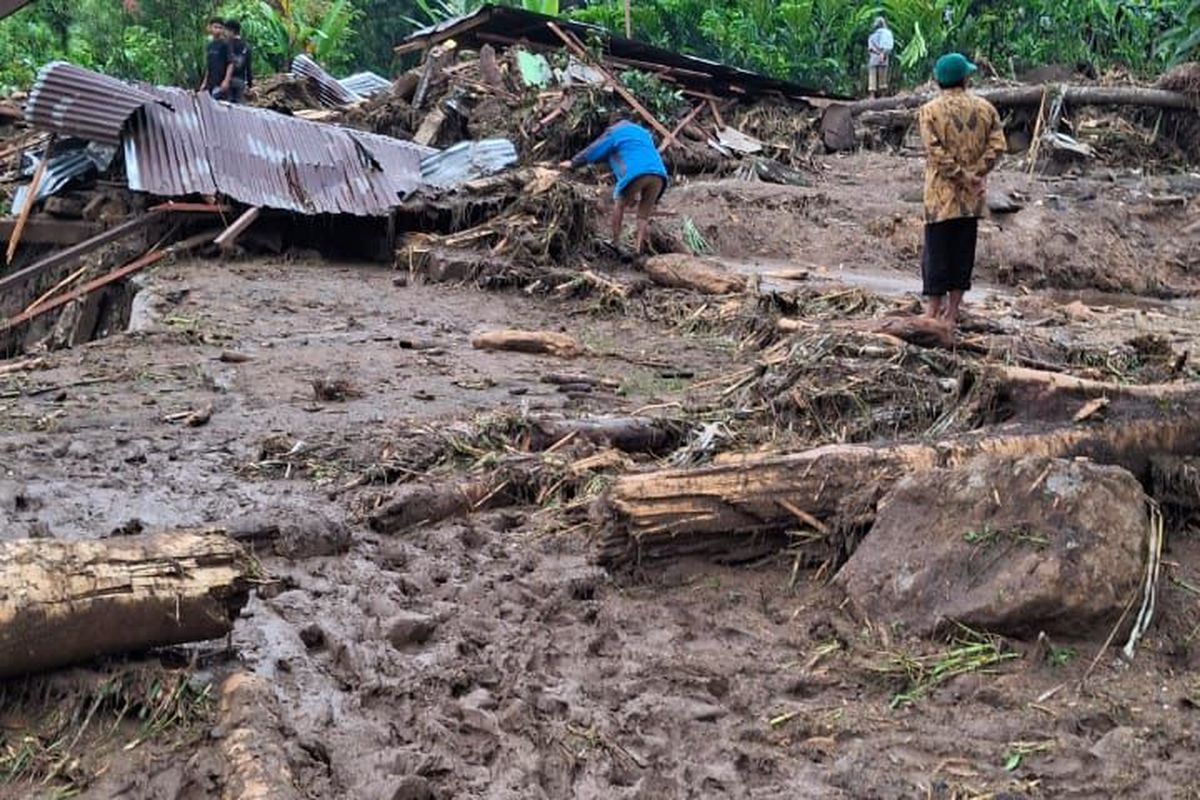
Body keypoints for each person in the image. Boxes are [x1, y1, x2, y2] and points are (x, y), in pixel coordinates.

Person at [917, 53, 1007, 327]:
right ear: (965, 78)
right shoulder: (985, 108)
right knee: (962, 253)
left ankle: (932, 312)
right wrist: (977, 174)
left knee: (936, 253)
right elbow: (998, 145)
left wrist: (960, 176)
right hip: (970, 199)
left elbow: (935, 153)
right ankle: (952, 313)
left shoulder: (930, 111)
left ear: (939, 80)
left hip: (940, 198)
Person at [559, 121, 668, 255]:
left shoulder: (614, 132)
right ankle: (639, 249)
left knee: (620, 202)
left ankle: (615, 243)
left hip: (637, 172)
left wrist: (573, 163)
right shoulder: (642, 132)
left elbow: (595, 149)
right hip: (659, 173)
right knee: (643, 215)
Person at [199, 17, 234, 101]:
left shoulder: (225, 44)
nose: (218, 30)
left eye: (220, 27)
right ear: (210, 28)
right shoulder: (210, 46)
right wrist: (204, 83)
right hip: (210, 83)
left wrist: (226, 81)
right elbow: (209, 66)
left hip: (220, 83)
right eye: (215, 27)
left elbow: (230, 63)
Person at [225, 19, 252, 104]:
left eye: (227, 31)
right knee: (240, 108)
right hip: (241, 81)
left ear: (231, 31)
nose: (225, 34)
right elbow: (248, 67)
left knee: (227, 108)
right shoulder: (246, 46)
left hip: (227, 80)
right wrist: (249, 84)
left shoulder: (226, 45)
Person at [867, 17, 894, 99]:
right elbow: (888, 47)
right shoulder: (888, 34)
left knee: (872, 75)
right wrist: (883, 53)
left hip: (874, 58)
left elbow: (870, 48)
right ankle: (883, 95)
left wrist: (877, 53)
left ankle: (872, 95)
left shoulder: (871, 36)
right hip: (884, 57)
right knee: (883, 76)